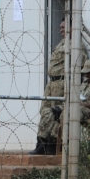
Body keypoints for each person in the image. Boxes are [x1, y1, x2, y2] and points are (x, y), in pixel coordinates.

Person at [29, 20, 83, 156]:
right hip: (52, 83)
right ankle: (42, 141)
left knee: (56, 112)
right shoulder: (62, 43)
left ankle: (50, 144)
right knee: (45, 111)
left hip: (62, 83)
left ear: (72, 28)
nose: (61, 30)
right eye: (60, 27)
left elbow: (79, 65)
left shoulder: (75, 45)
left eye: (64, 27)